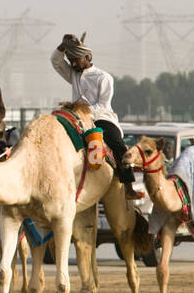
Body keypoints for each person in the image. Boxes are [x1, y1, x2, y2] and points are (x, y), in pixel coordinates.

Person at [50, 33, 140, 199]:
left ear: (87, 57)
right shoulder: (74, 74)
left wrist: (82, 112)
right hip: (76, 119)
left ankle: (128, 185)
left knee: (117, 144)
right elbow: (56, 62)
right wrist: (63, 46)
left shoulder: (103, 77)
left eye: (77, 60)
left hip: (101, 118)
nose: (74, 64)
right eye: (72, 61)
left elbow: (103, 105)